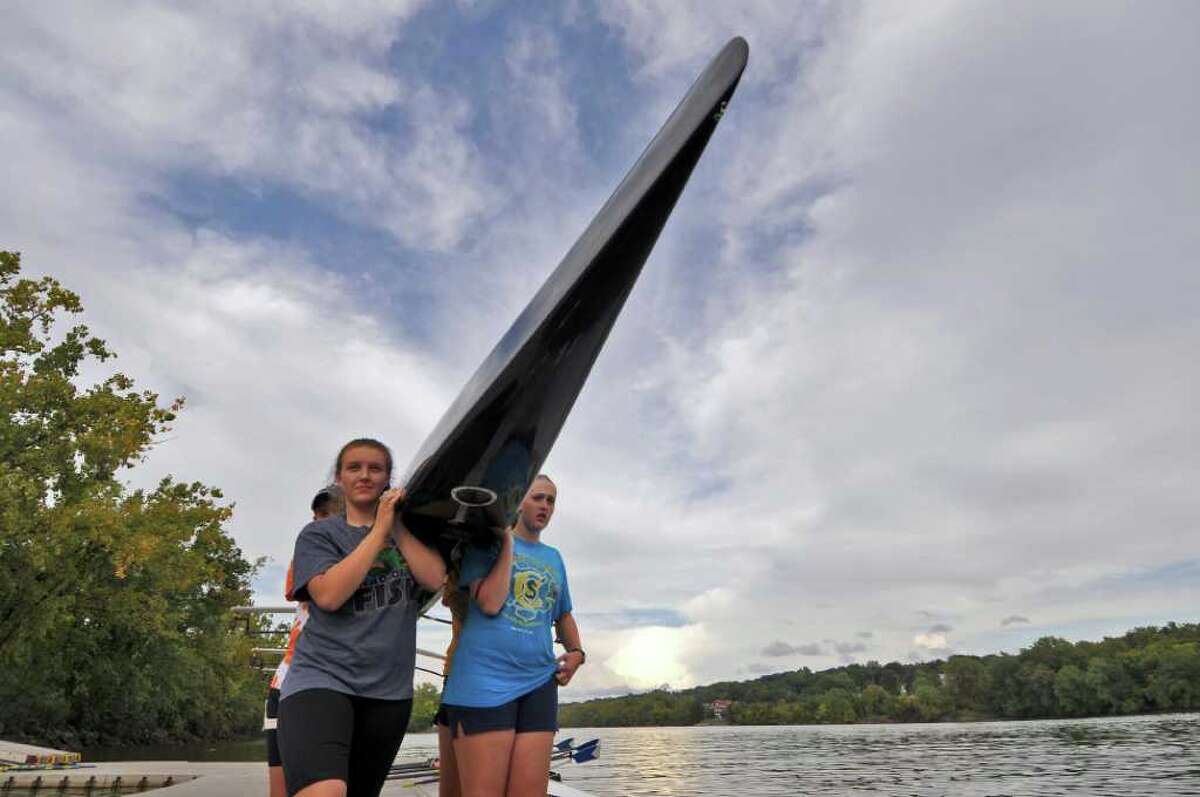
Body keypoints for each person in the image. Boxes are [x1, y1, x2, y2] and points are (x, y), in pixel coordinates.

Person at [277, 438, 446, 797]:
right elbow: (329, 595)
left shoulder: (408, 536)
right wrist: (379, 530)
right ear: (339, 477)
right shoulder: (319, 534)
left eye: (375, 468)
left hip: (388, 693)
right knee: (327, 791)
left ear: (389, 479)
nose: (365, 475)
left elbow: (434, 580)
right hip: (321, 680)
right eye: (354, 467)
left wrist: (397, 524)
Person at [440, 475, 586, 797]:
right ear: (518, 501)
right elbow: (490, 602)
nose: (545, 506)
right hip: (484, 682)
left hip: (539, 682)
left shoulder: (554, 557)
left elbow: (563, 614)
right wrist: (506, 540)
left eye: (550, 500)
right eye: (537, 498)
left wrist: (577, 653)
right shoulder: (484, 545)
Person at [265, 486, 342, 797]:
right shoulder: (308, 551)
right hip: (288, 686)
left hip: (339, 690)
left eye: (331, 515)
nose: (319, 522)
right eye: (318, 515)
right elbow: (325, 593)